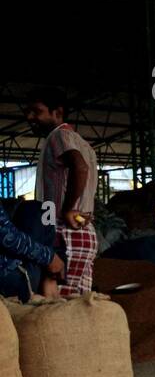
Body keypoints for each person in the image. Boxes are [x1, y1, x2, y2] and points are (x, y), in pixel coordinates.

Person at [25, 87, 98, 296]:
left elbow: (79, 167)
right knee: (78, 303)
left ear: (57, 112)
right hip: (84, 232)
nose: (30, 117)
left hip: (63, 232)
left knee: (56, 305)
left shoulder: (58, 137)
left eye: (37, 111)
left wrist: (67, 209)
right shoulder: (83, 143)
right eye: (27, 111)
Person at [0, 201, 64, 302]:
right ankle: (50, 278)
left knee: (38, 208)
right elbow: (7, 237)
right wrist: (49, 257)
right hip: (9, 279)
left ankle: (50, 277)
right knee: (42, 209)